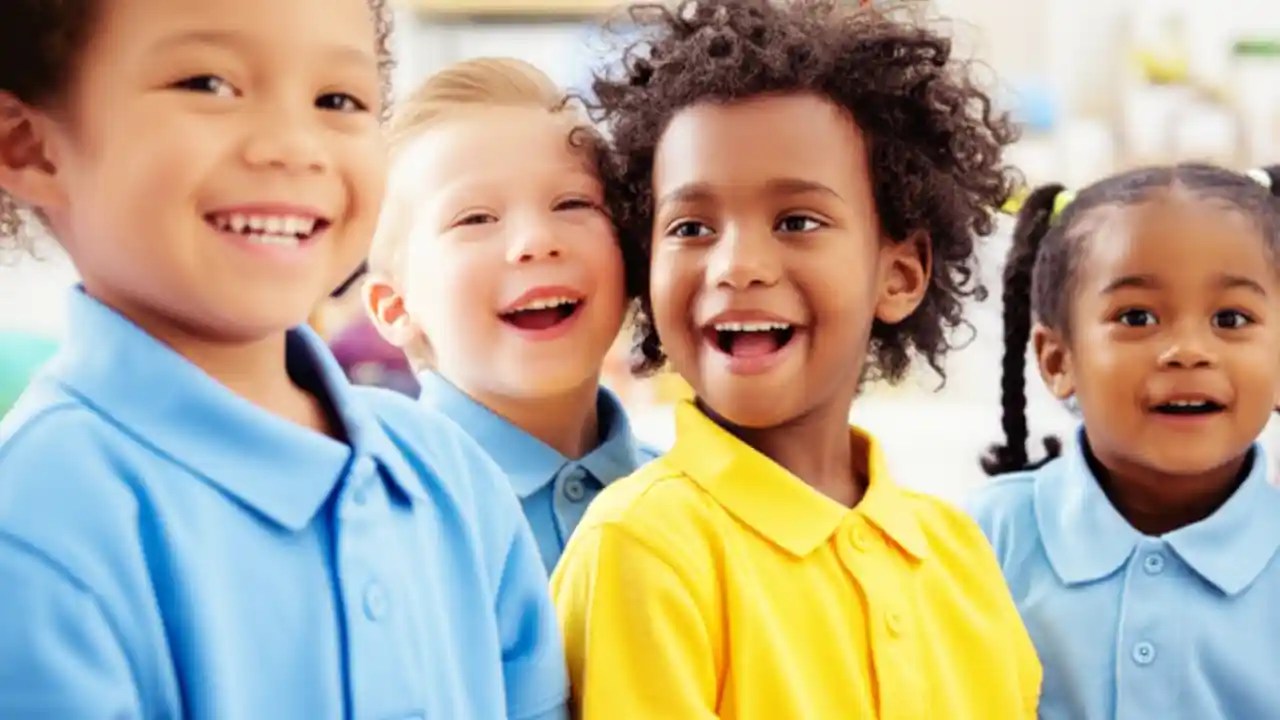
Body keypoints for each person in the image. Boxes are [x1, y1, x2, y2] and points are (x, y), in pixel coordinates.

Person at [0, 2, 566, 717]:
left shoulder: (447, 474)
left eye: (338, 99)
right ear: (31, 147)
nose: (294, 146)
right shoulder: (38, 523)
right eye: (208, 84)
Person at [550, 0, 1040, 716]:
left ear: (899, 275)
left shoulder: (955, 550)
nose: (738, 265)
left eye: (798, 221)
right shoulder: (645, 545)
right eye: (691, 226)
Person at [973, 164, 1280, 719]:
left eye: (1231, 318)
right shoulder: (980, 542)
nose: (1188, 350)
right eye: (1136, 317)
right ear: (1057, 360)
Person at [363, 57, 657, 571]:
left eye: (572, 204)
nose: (536, 242)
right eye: (475, 218)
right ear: (395, 307)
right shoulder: (378, 511)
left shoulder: (691, 500)